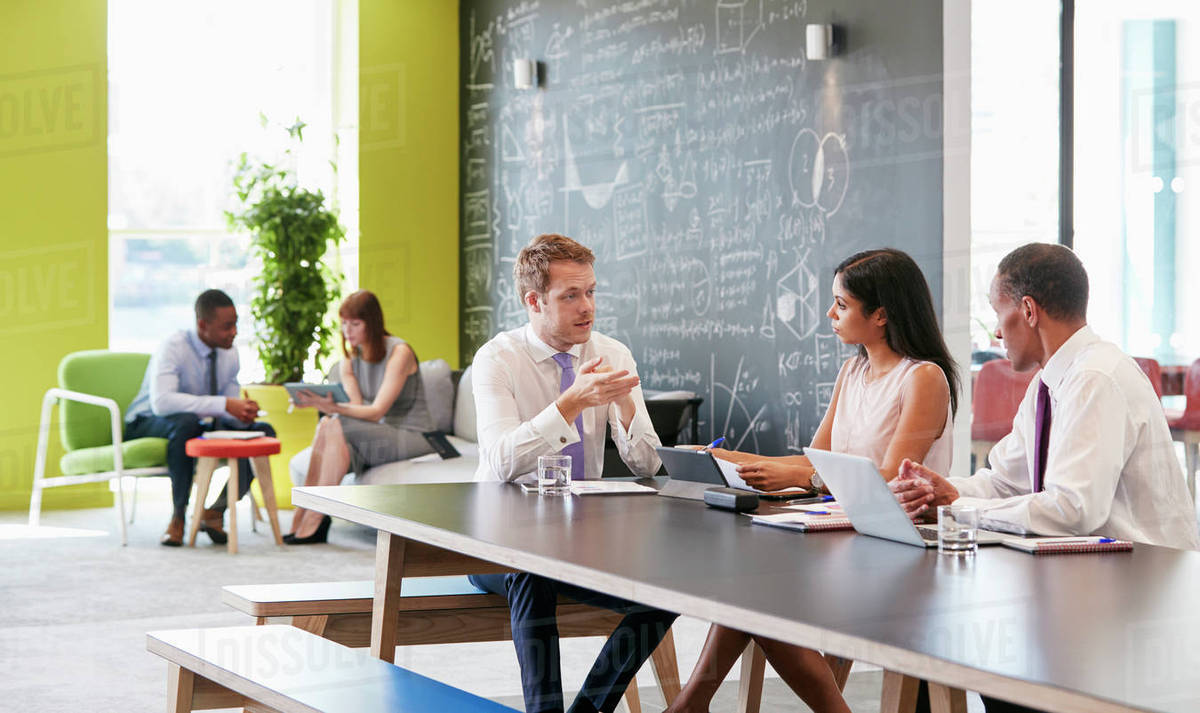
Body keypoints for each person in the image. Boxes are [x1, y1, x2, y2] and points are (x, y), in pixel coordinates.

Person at [890, 243, 1200, 713]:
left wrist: (959, 508)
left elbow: (1074, 510)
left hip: (1140, 596)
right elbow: (1003, 480)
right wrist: (945, 490)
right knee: (964, 644)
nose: (996, 330)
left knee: (983, 648)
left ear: (1028, 311)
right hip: (1090, 581)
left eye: (999, 313)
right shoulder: (1051, 382)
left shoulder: (1096, 378)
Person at [666, 248, 960, 713]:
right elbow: (814, 461)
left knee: (756, 586)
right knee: (750, 582)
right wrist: (721, 456)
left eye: (841, 304)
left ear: (880, 314)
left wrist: (799, 473)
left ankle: (693, 705)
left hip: (901, 549)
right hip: (848, 537)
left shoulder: (924, 378)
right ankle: (693, 705)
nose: (829, 314)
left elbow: (888, 481)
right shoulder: (853, 370)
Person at [469, 233, 676, 713]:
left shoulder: (613, 354)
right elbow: (500, 462)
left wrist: (624, 402)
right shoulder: (497, 359)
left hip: (584, 540)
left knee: (667, 587)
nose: (588, 307)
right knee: (531, 572)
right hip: (495, 539)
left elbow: (647, 464)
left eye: (591, 292)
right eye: (571, 296)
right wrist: (570, 404)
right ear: (533, 301)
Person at [124, 289, 276, 547]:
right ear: (202, 325)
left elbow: (226, 407)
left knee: (264, 432)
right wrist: (224, 404)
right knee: (186, 422)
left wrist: (243, 414)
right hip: (147, 422)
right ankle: (178, 517)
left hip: (198, 423)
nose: (234, 332)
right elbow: (162, 403)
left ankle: (214, 511)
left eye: (236, 324)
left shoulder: (230, 353)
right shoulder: (173, 347)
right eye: (227, 326)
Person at [286, 290, 436, 544]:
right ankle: (309, 517)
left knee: (336, 420)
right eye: (344, 323)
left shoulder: (400, 352)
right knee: (328, 422)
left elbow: (377, 411)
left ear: (373, 323)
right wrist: (323, 406)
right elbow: (356, 407)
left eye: (355, 323)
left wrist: (332, 407)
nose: (348, 330)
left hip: (414, 434)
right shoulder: (350, 360)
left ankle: (314, 519)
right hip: (379, 433)